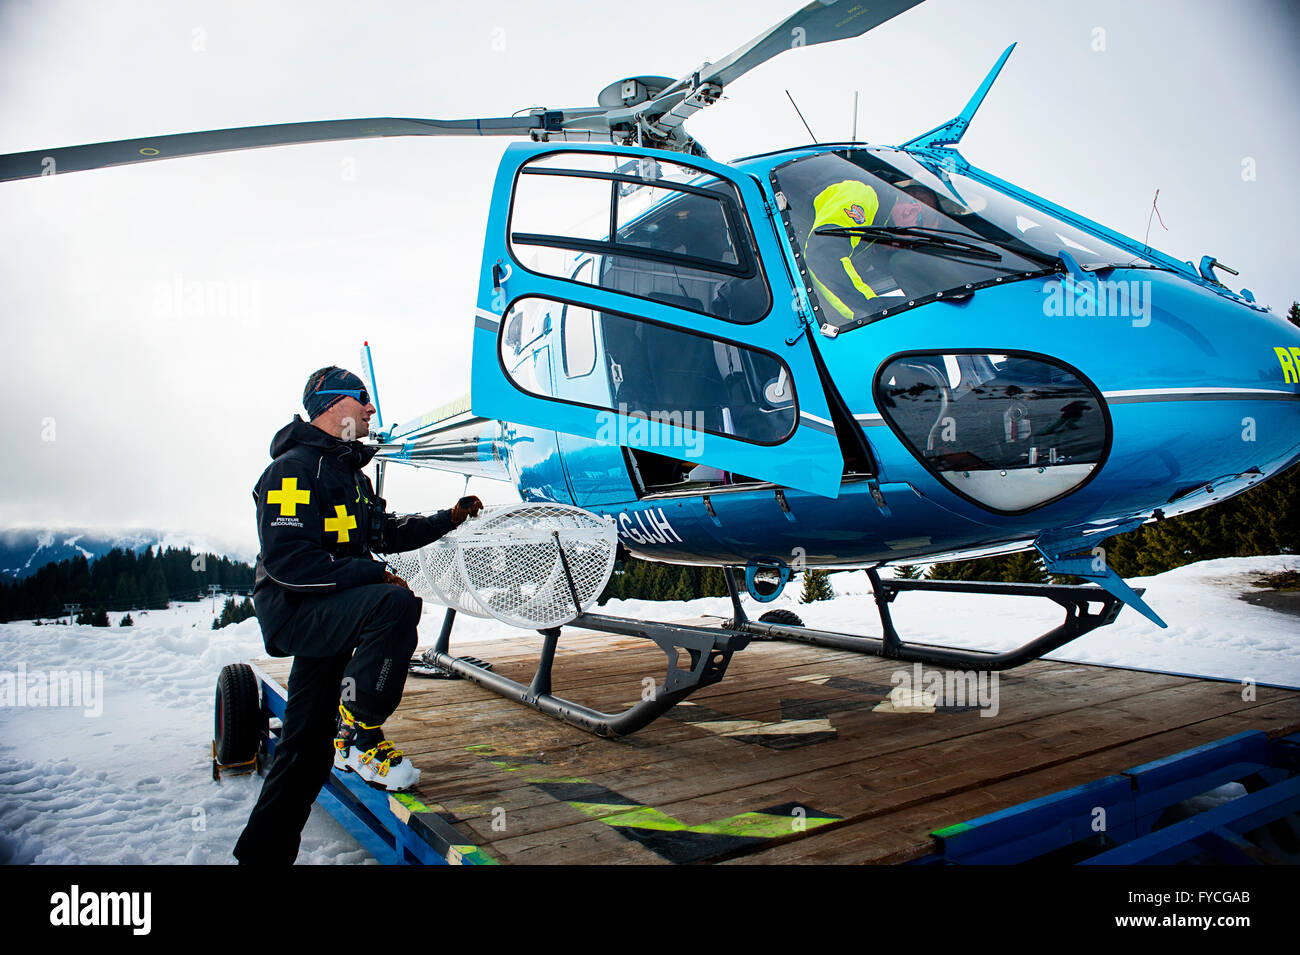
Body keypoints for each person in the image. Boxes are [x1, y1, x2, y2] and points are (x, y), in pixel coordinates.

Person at [232, 366, 482, 865]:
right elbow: (291, 562)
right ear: (331, 407)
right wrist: (373, 578)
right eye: (362, 399)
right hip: (298, 610)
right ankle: (358, 727)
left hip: (334, 614)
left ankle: (261, 856)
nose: (371, 409)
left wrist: (446, 518)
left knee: (304, 749)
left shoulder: (350, 474)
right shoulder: (293, 470)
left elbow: (383, 533)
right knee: (395, 604)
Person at [802, 179, 882, 323]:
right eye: (921, 220)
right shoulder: (861, 192)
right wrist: (876, 308)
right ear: (913, 208)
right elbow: (823, 252)